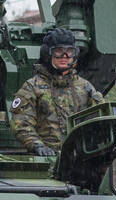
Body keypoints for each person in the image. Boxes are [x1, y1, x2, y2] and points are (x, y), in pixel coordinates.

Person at [11, 27, 103, 156]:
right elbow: (21, 123)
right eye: (58, 51)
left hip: (80, 158)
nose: (64, 57)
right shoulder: (32, 87)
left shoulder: (85, 87)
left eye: (69, 52)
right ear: (47, 54)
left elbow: (100, 120)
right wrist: (37, 145)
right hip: (45, 157)